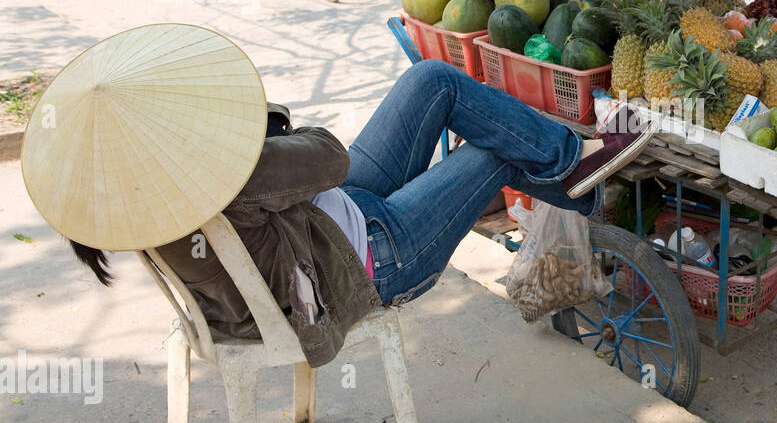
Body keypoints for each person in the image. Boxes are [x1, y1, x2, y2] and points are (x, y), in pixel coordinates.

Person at [24, 25, 653, 368]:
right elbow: (327, 157)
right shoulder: (211, 177)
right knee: (492, 150)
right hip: (374, 260)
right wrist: (264, 128)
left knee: (431, 80)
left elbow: (330, 178)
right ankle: (576, 173)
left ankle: (572, 177)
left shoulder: (138, 193)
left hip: (327, 224)